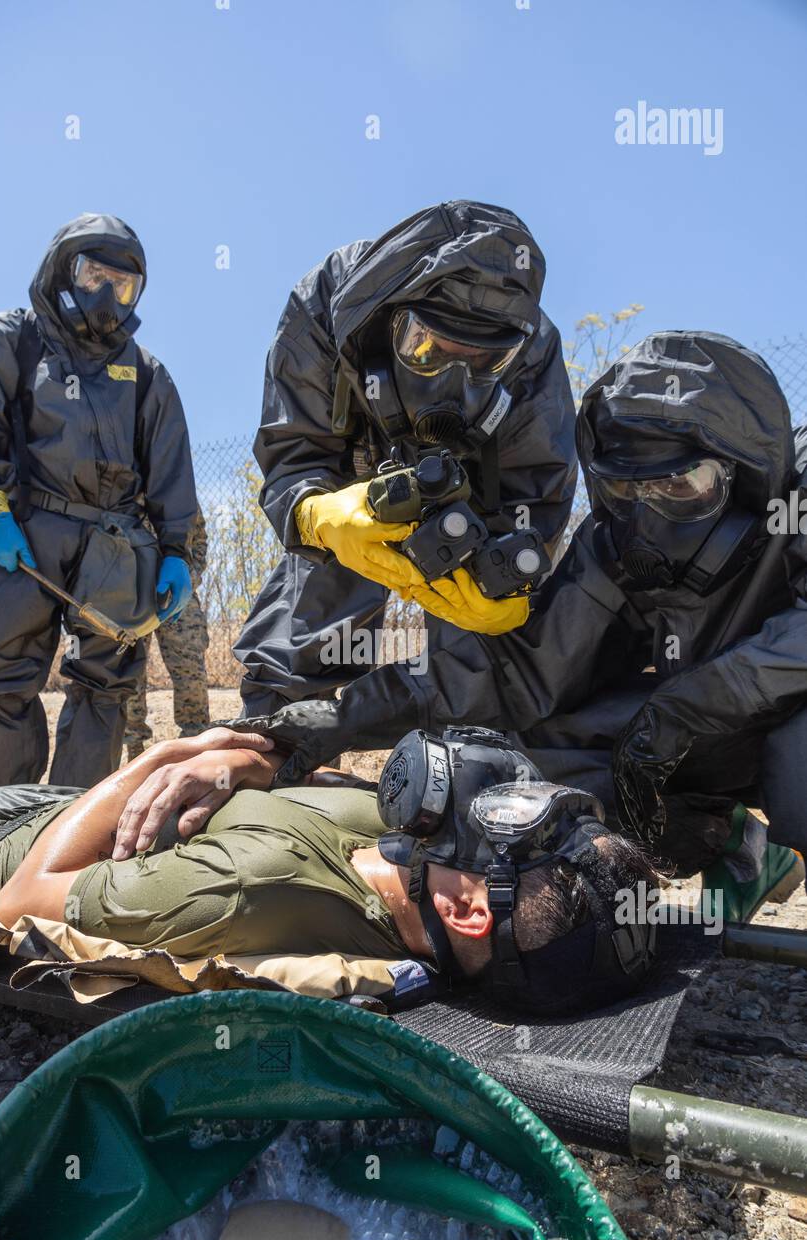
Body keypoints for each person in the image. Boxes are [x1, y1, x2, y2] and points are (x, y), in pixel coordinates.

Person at [117, 332, 806, 914]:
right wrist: (287, 739)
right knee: (533, 754)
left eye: (681, 487)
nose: (649, 515)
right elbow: (496, 681)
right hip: (709, 736)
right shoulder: (616, 547)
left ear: (747, 475)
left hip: (770, 721)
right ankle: (729, 844)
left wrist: (686, 710)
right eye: (625, 489)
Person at [0, 727, 658, 1017]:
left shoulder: (250, 887)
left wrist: (160, 760)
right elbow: (277, 768)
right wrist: (236, 763)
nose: (497, 811)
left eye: (510, 837)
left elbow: (18, 900)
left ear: (467, 913)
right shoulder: (417, 853)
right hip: (74, 805)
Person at [233, 200, 578, 715]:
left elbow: (536, 487)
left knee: (487, 643)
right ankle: (269, 741)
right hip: (350, 482)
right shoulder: (325, 302)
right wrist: (313, 514)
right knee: (315, 602)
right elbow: (295, 446)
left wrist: (512, 587)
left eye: (484, 361)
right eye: (428, 348)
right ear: (389, 318)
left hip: (474, 492)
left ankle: (475, 759)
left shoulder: (533, 350)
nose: (451, 379)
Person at [0, 213, 198, 791]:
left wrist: (177, 551)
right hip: (27, 533)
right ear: (62, 269)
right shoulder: (7, 338)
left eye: (123, 284)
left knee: (105, 687)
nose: (107, 293)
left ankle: (68, 832)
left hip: (116, 547)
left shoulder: (147, 373)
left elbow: (170, 468)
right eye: (93, 275)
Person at [124, 508, 211, 757]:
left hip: (179, 594)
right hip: (132, 593)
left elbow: (200, 537)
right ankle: (134, 748)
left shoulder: (179, 488)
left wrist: (190, 577)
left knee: (190, 669)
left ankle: (194, 743)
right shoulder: (127, 479)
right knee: (130, 671)